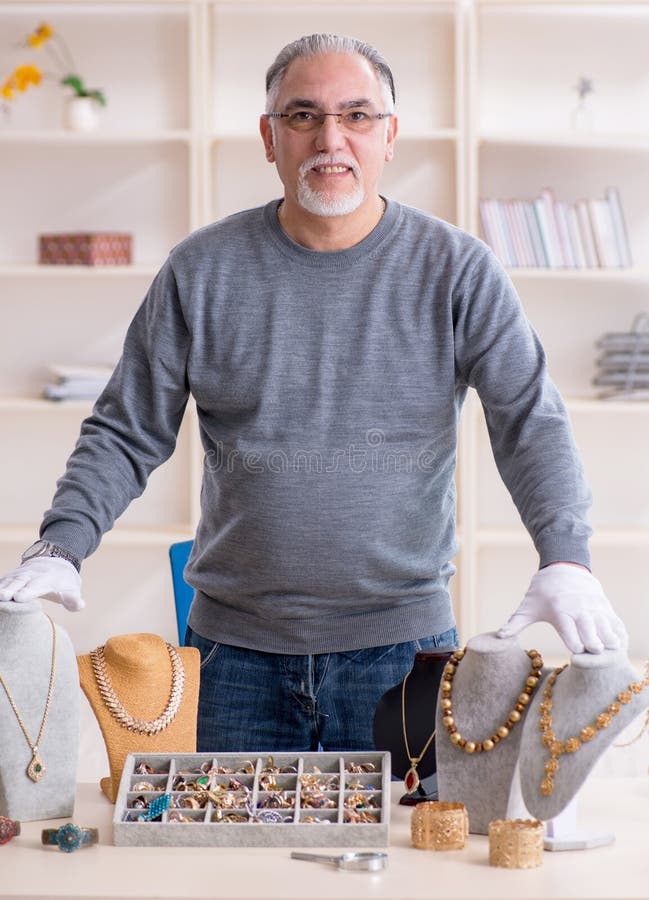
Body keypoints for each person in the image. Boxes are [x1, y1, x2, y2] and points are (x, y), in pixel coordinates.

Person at [0, 34, 627, 753]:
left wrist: (565, 558)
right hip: (232, 659)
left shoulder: (457, 268)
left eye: (356, 115)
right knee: (232, 865)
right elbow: (126, 430)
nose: (330, 138)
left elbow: (529, 421)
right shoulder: (199, 270)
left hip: (404, 649)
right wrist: (61, 543)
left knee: (415, 863)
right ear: (268, 138)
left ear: (389, 135)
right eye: (302, 116)